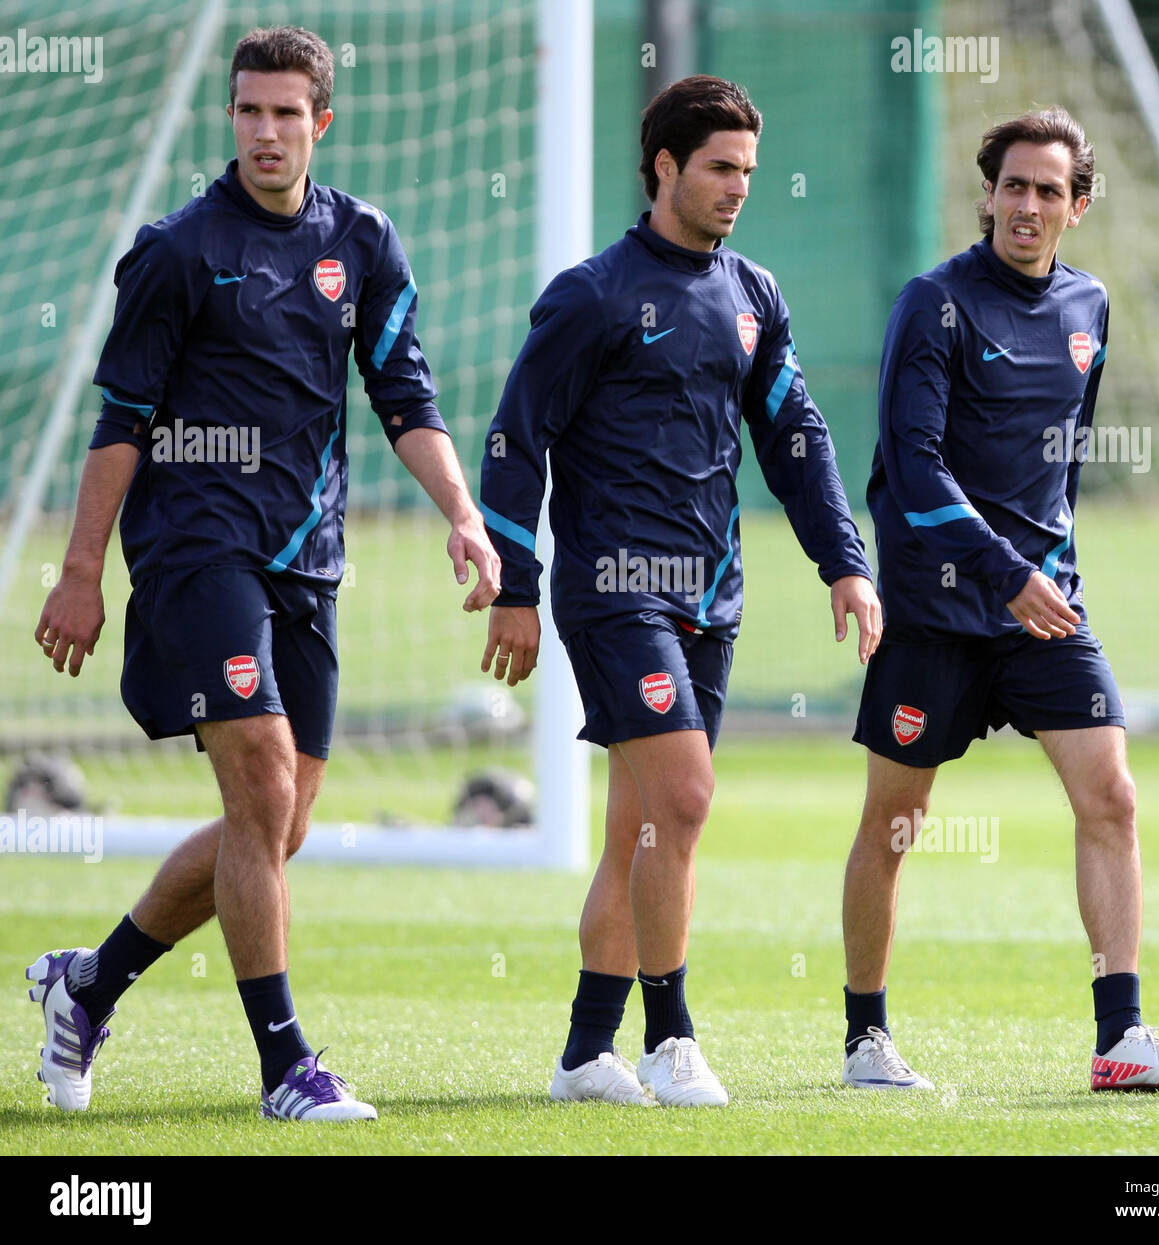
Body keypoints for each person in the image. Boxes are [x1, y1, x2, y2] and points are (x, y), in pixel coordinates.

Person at [29, 26, 499, 1122]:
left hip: (307, 559)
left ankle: (88, 983)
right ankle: (287, 1065)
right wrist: (81, 570)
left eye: (287, 112)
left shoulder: (363, 241)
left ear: (320, 123)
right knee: (262, 785)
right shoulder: (179, 249)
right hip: (196, 549)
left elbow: (404, 400)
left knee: (278, 822)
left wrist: (466, 518)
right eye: (249, 110)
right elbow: (122, 420)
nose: (266, 130)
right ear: (229, 118)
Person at [479, 75, 880, 1107]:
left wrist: (844, 560)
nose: (738, 187)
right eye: (718, 168)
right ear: (663, 166)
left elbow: (795, 437)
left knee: (646, 827)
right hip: (615, 590)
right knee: (688, 797)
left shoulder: (753, 295)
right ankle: (671, 1038)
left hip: (712, 593)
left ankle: (583, 1053)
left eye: (747, 169)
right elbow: (516, 438)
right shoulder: (593, 294)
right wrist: (516, 585)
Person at [839, 107, 1159, 1093]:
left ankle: (1120, 1041)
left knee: (1112, 796)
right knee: (896, 818)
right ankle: (865, 1038)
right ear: (987, 194)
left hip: (1046, 607)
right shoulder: (933, 305)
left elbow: (1065, 465)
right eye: (1013, 185)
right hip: (939, 608)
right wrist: (1005, 571)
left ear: (1076, 207)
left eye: (1049, 190)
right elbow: (910, 469)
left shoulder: (1090, 307)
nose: (1027, 204)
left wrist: (1044, 572)